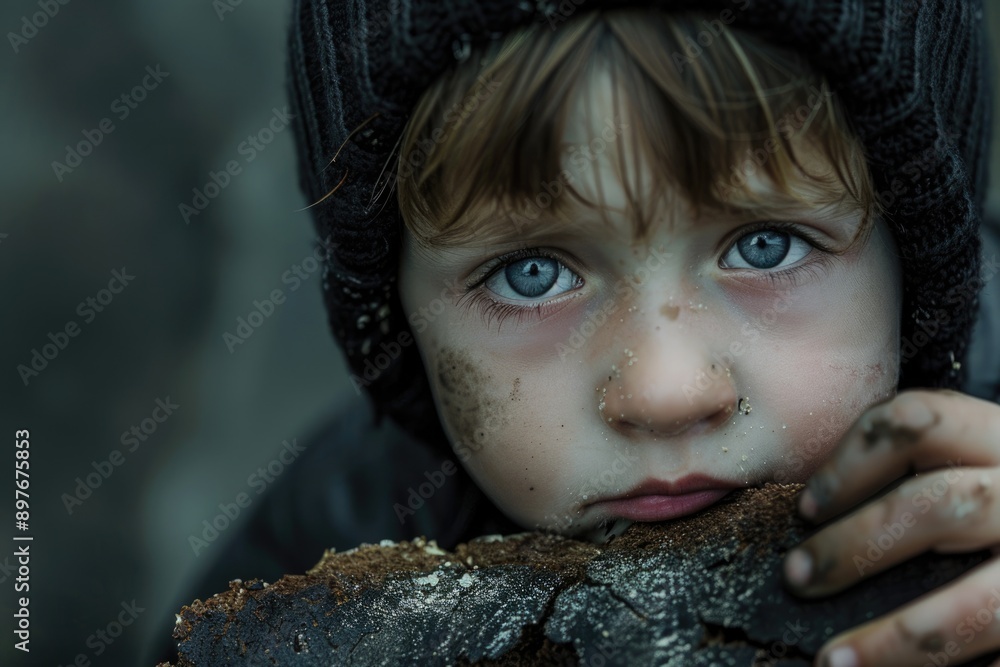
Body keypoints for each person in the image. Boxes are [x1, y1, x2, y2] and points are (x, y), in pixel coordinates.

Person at [153, 1, 1000, 665]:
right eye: (533, 273)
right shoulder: (326, 561)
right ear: (400, 317)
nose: (665, 391)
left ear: (920, 266)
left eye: (764, 244)